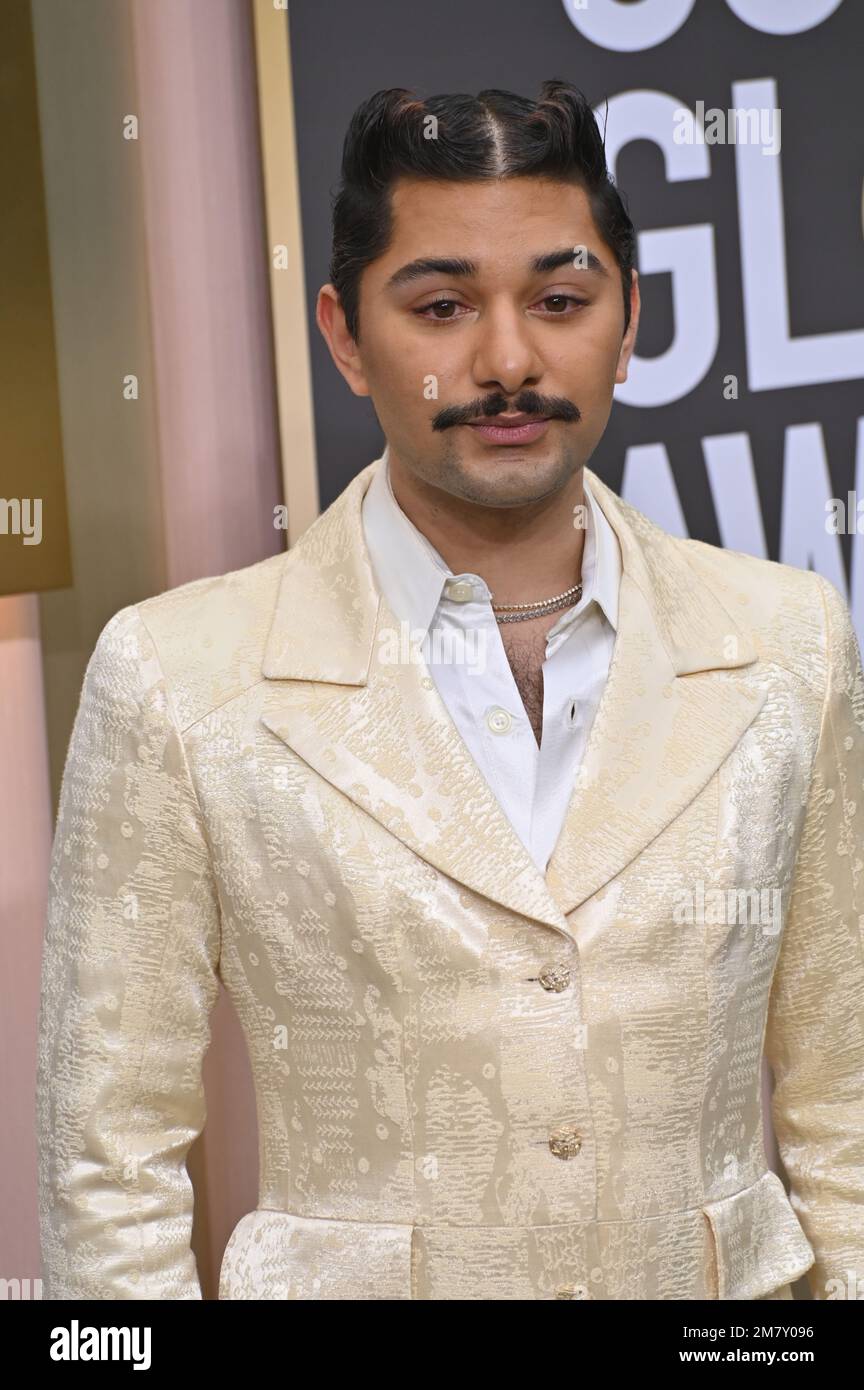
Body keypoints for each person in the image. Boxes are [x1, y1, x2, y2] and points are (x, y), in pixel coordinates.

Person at [37, 79, 864, 1300]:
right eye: (441, 306)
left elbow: (844, 1087)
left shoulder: (785, 637)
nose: (510, 359)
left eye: (561, 299)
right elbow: (107, 1159)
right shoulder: (180, 675)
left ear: (628, 319)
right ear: (343, 332)